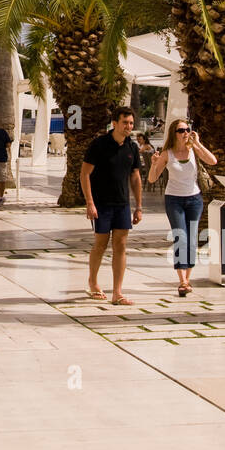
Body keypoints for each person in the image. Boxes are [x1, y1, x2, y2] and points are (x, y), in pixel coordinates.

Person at [147, 119, 217, 297]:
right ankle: (182, 280)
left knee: (192, 239)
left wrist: (198, 143)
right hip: (174, 200)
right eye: (181, 130)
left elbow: (213, 161)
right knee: (181, 237)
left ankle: (187, 278)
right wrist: (155, 164)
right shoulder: (167, 153)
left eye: (187, 129)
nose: (185, 133)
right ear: (174, 133)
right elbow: (152, 179)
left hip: (194, 199)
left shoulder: (194, 150)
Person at [80, 107, 143, 306]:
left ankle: (117, 292)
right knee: (100, 243)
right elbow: (85, 174)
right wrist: (90, 203)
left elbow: (135, 177)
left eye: (131, 123)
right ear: (114, 123)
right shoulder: (99, 145)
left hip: (122, 203)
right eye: (125, 123)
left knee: (121, 245)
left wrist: (139, 206)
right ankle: (93, 281)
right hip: (101, 203)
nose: (129, 127)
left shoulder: (132, 147)